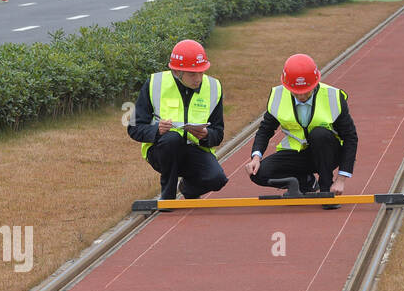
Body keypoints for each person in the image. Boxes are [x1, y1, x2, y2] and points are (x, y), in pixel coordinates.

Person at [245, 54, 358, 205]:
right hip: (297, 155)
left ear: (316, 83)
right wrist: (256, 157)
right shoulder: (278, 96)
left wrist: (341, 179)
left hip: (328, 154)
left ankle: (326, 188)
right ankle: (306, 182)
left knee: (319, 134)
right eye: (296, 91)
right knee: (257, 173)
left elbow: (350, 137)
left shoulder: (333, 97)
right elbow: (265, 130)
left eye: (306, 90)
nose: (301, 95)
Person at [128, 39, 228, 200]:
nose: (198, 78)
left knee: (217, 179)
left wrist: (206, 135)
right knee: (172, 139)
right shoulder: (155, 84)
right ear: (176, 72)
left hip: (195, 150)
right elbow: (134, 127)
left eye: (202, 72)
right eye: (192, 73)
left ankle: (187, 189)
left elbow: (218, 132)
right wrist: (157, 130)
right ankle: (167, 196)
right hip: (161, 151)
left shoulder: (214, 87)